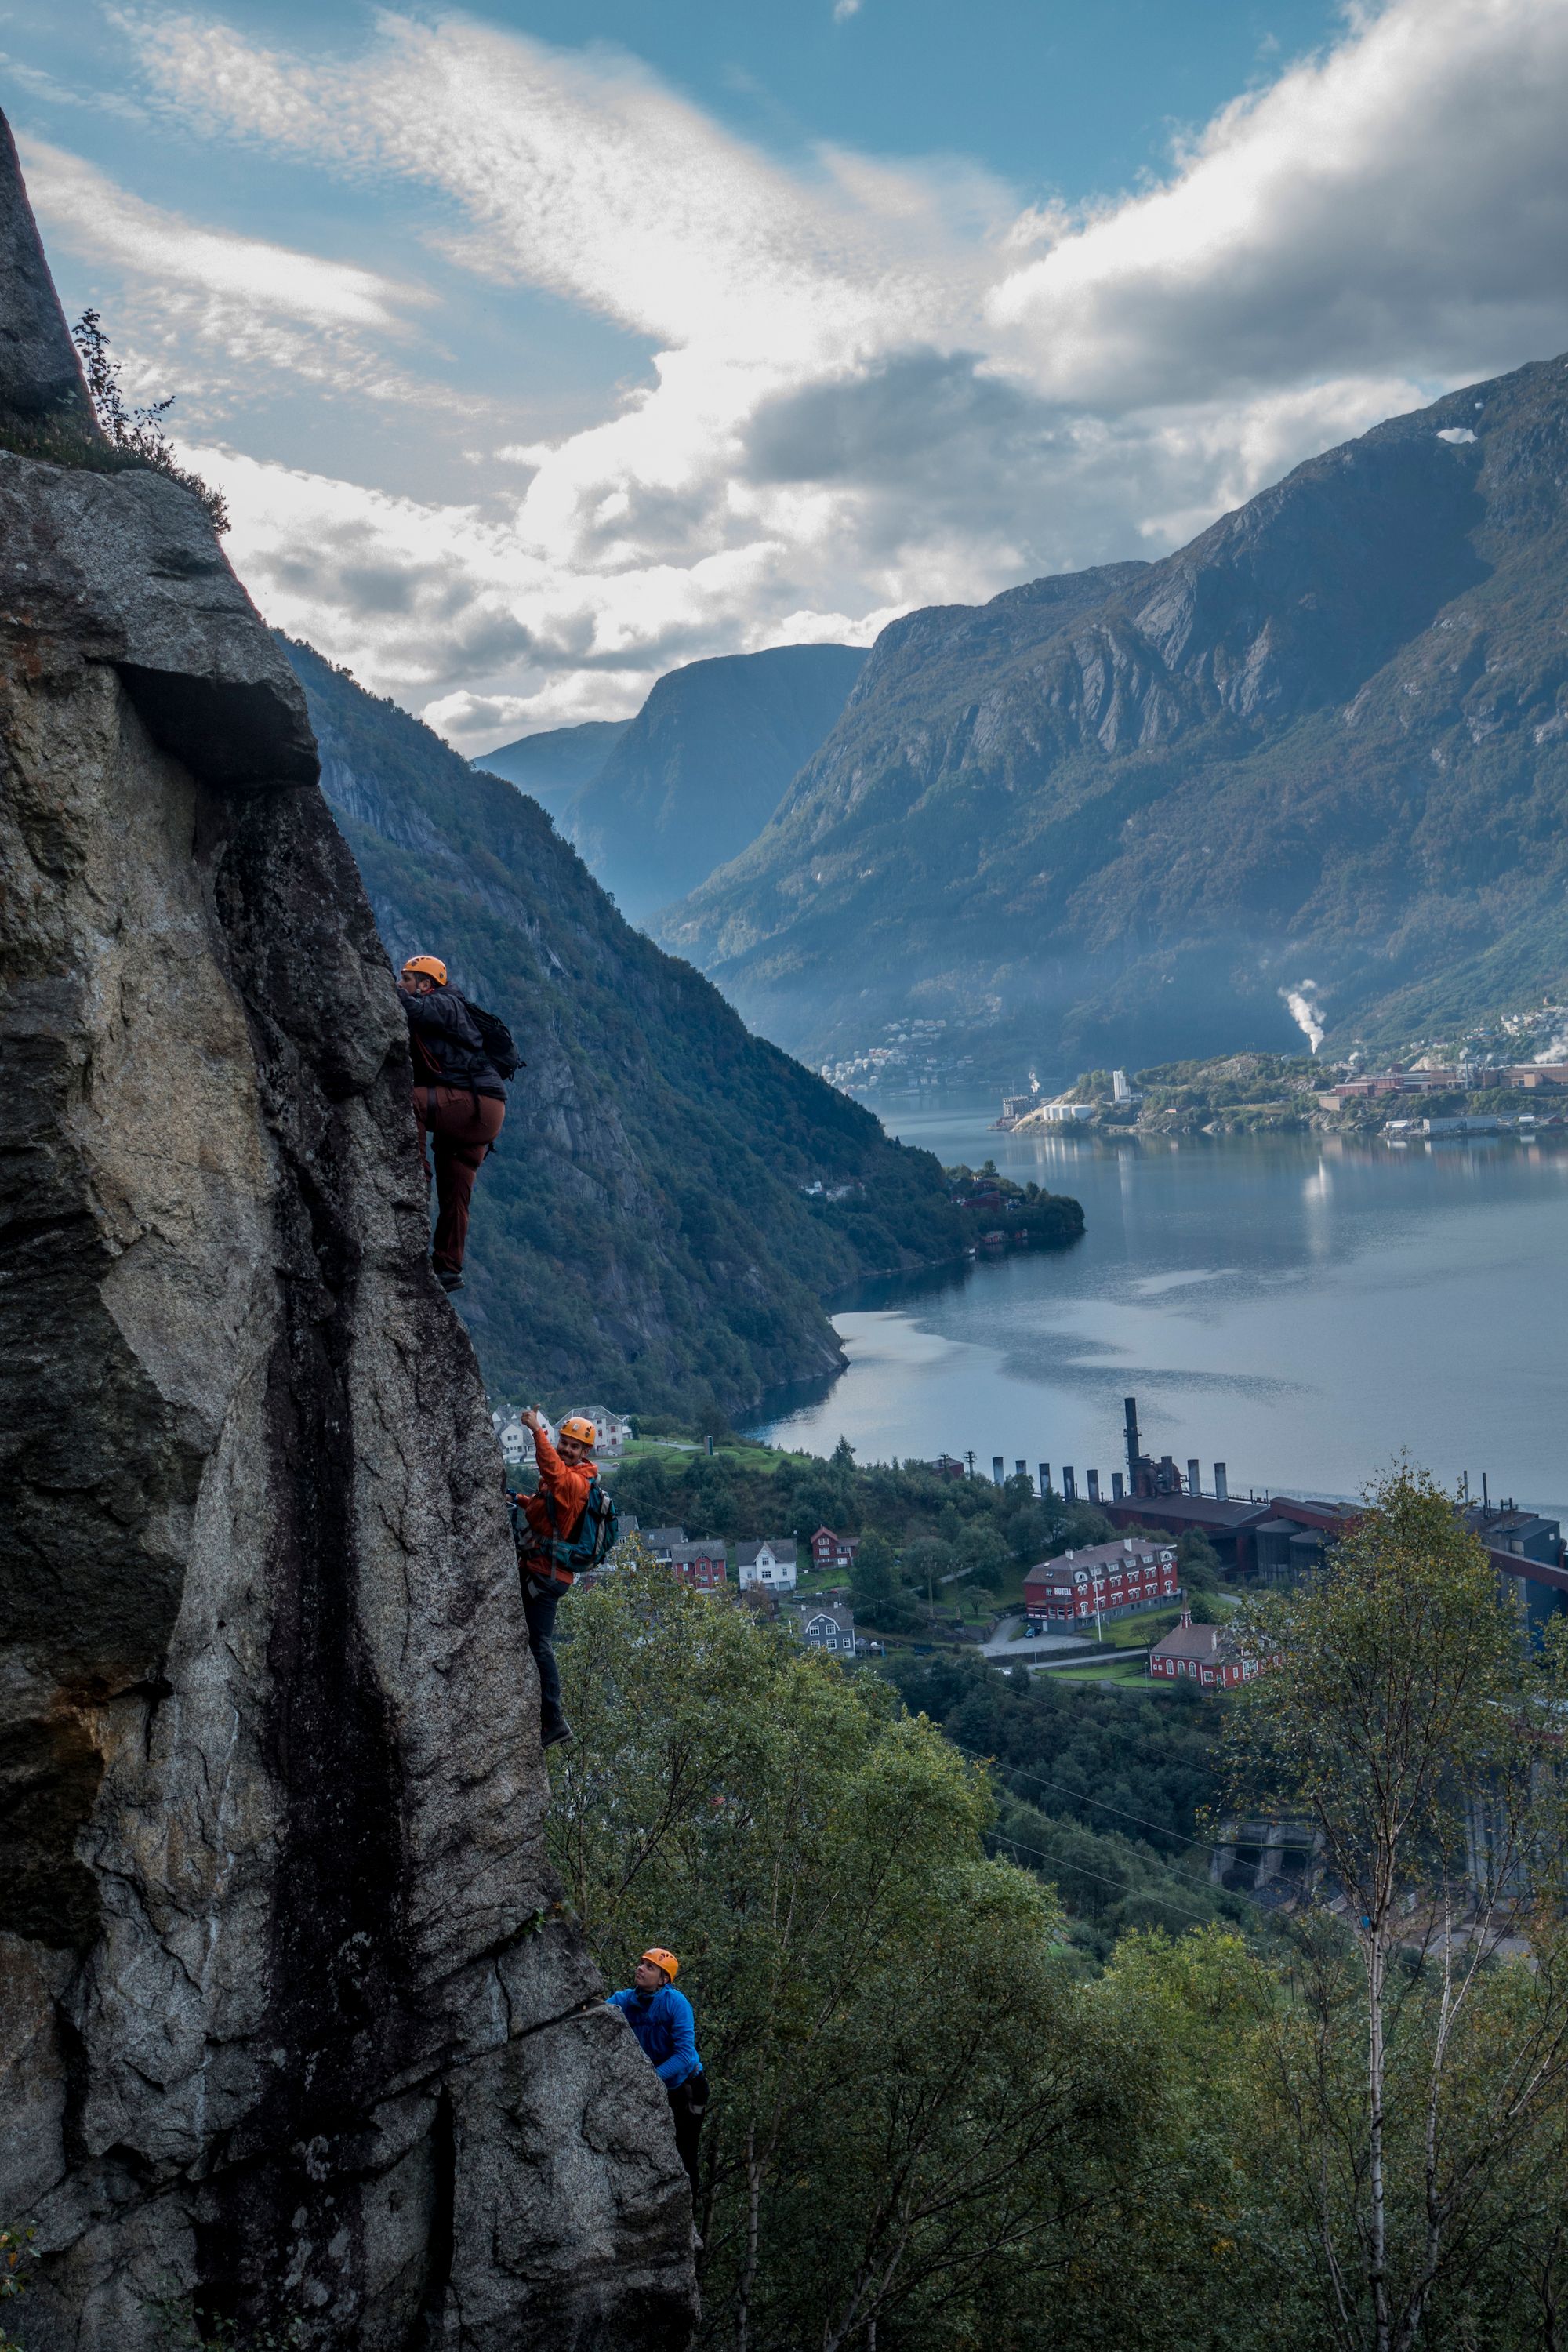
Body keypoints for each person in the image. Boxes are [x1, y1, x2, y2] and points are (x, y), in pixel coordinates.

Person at [397, 954, 507, 1294]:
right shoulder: (445, 1005)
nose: (403, 985)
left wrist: (387, 988)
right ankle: (448, 1267)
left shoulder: (446, 1004)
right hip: (481, 1112)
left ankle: (415, 1173)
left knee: (409, 1100)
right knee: (456, 1191)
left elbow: (416, 1011)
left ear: (426, 985)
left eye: (408, 979)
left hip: (476, 1106)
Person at [510, 1406, 598, 1748]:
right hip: (541, 1570)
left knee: (540, 1644)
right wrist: (518, 1500)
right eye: (564, 1442)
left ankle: (554, 1720)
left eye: (574, 1446)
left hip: (547, 1577)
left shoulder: (576, 1481)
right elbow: (545, 1508)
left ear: (585, 1452)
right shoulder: (567, 1477)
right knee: (533, 1641)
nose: (566, 1449)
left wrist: (537, 1431)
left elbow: (556, 1476)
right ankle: (550, 1717)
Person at [608, 1948, 708, 2224]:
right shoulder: (626, 2000)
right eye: (641, 1963)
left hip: (685, 2088)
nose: (641, 1968)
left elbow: (685, 2055)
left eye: (649, 1967)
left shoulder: (675, 2004)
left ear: (664, 1979)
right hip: (652, 2086)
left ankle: (687, 2224)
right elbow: (597, 2013)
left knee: (684, 2153)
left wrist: (650, 2078)